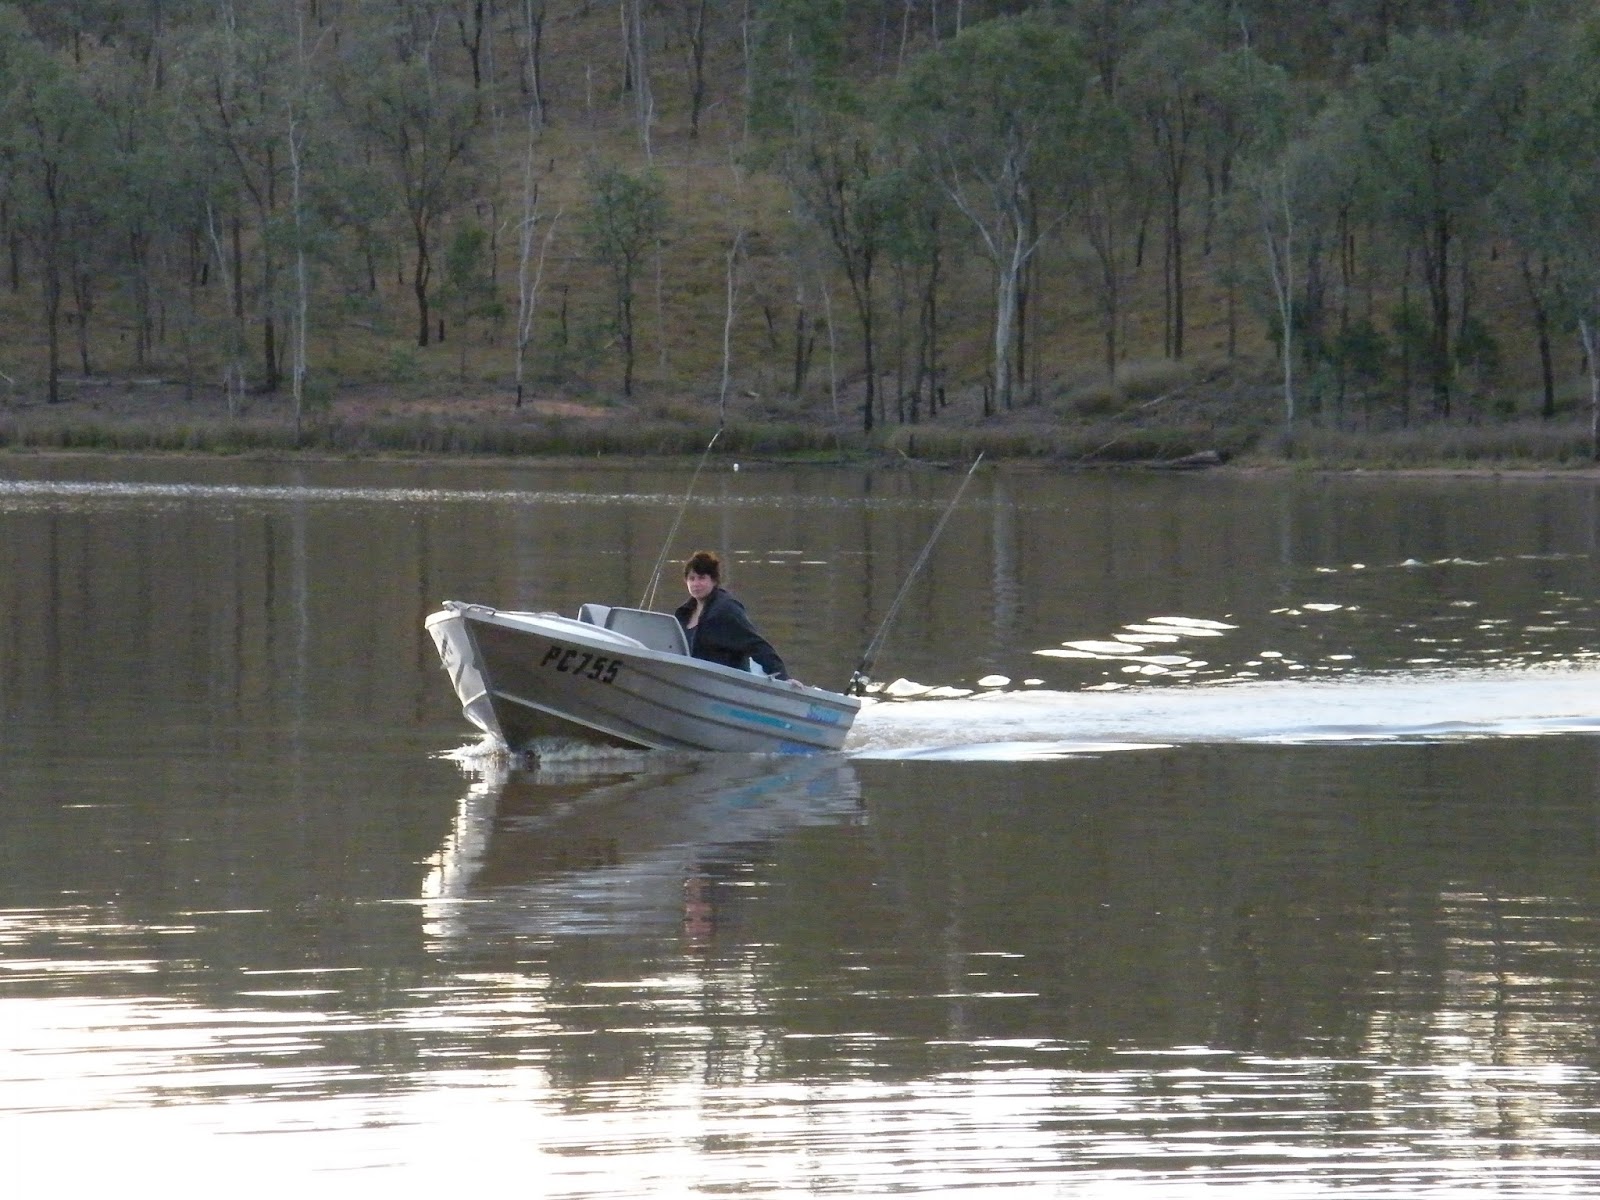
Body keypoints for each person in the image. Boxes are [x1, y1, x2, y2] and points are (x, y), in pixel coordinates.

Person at [673, 549, 792, 680]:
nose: (696, 584)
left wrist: (783, 677)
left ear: (713, 580)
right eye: (691, 579)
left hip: (725, 681)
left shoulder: (726, 609)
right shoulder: (683, 613)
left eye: (702, 578)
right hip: (691, 678)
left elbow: (755, 643)